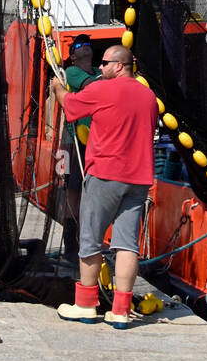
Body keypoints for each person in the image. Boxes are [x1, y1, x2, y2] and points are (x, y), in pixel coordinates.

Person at [51, 44, 157, 328]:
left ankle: (85, 305)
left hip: (106, 176)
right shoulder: (149, 97)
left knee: (90, 239)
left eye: (105, 63)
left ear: (119, 65)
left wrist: (58, 88)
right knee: (127, 245)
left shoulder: (102, 89)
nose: (100, 67)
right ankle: (120, 310)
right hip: (138, 179)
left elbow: (70, 106)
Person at [45, 36, 100, 262]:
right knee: (73, 191)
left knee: (91, 193)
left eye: (87, 43)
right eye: (79, 45)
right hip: (74, 141)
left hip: (95, 140)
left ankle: (86, 241)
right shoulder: (73, 72)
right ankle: (70, 243)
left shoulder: (98, 71)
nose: (84, 46)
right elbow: (95, 87)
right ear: (74, 55)